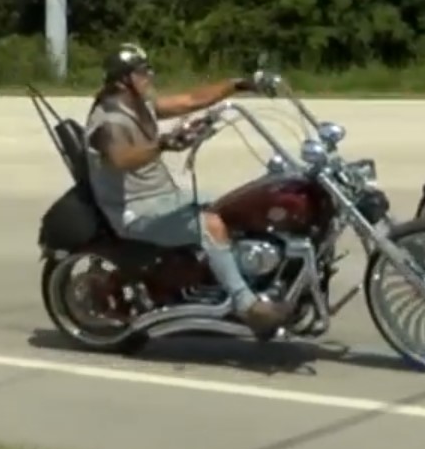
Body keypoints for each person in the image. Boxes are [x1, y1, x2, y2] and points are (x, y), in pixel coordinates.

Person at [83, 44, 289, 335]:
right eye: (142, 72)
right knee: (212, 226)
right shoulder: (108, 119)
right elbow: (120, 158)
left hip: (162, 199)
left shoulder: (139, 105)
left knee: (236, 207)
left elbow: (191, 99)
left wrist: (240, 84)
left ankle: (239, 278)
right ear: (122, 80)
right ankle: (247, 306)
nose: (149, 76)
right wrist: (163, 144)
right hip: (135, 210)